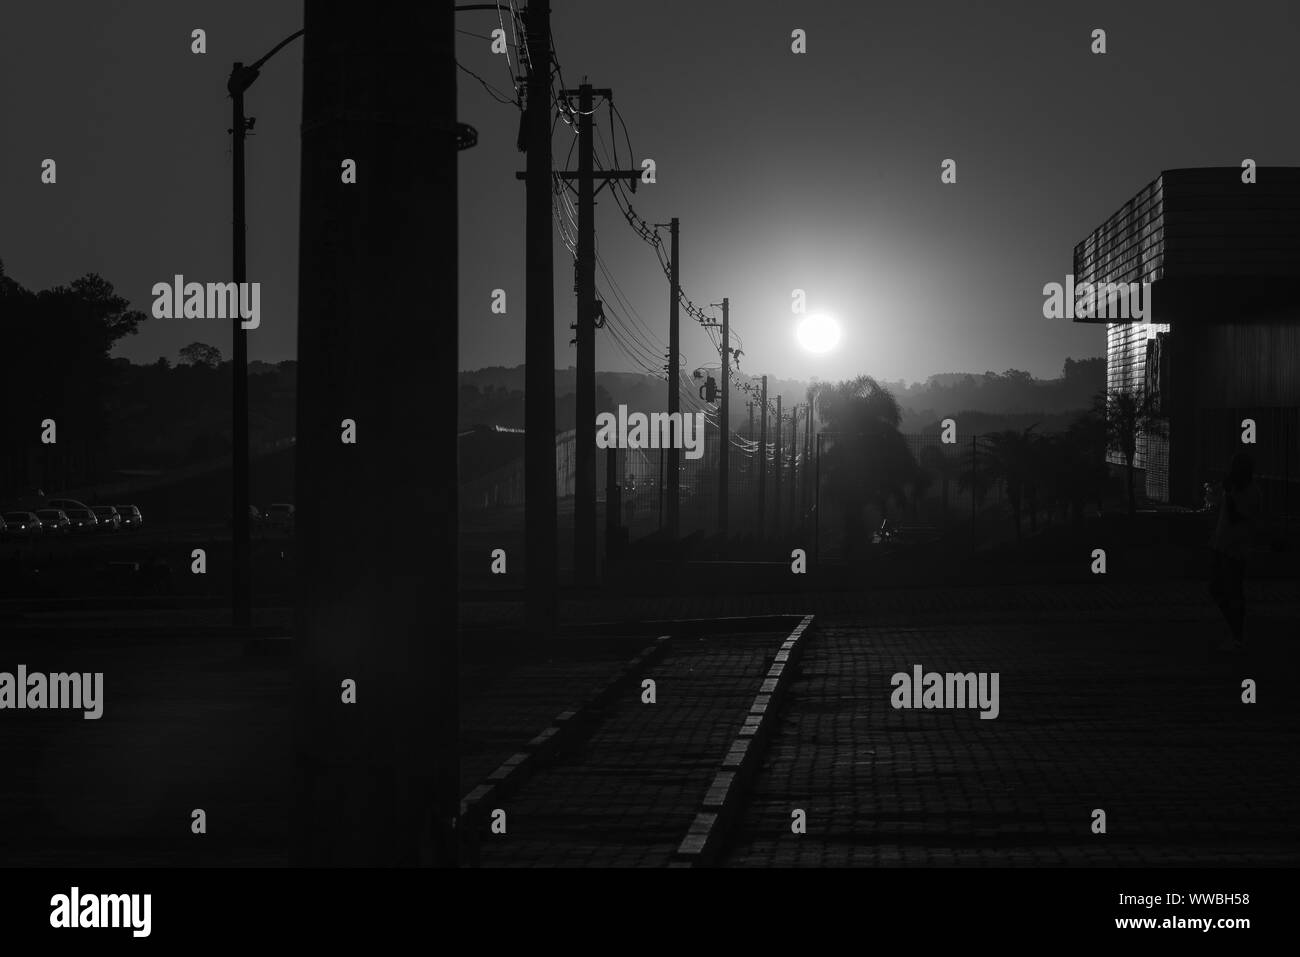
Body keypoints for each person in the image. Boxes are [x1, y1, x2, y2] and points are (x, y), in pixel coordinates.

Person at [1208, 452, 1262, 652]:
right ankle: (1235, 631)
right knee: (1216, 587)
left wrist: (1229, 495)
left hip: (1236, 550)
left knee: (1233, 591)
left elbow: (1237, 517)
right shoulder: (1236, 488)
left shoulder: (1250, 492)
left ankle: (1237, 635)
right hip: (1222, 545)